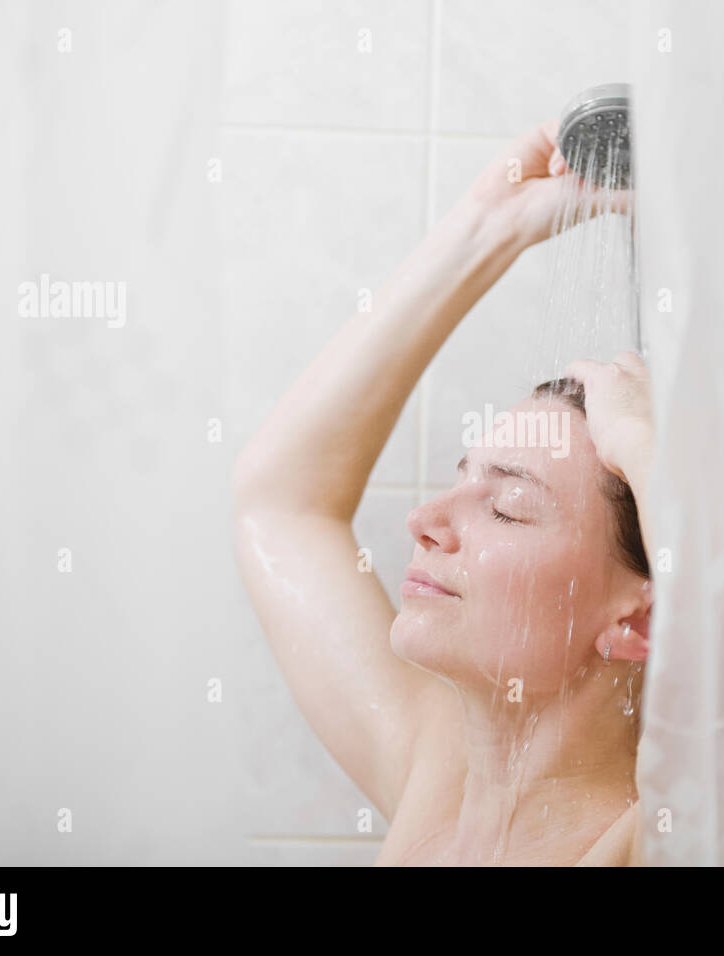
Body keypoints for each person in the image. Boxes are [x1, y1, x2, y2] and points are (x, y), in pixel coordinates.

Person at [231, 119, 656, 865]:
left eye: (509, 507)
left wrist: (645, 446)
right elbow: (280, 500)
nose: (425, 521)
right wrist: (489, 226)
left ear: (641, 617)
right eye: (460, 483)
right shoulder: (438, 775)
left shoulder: (657, 838)